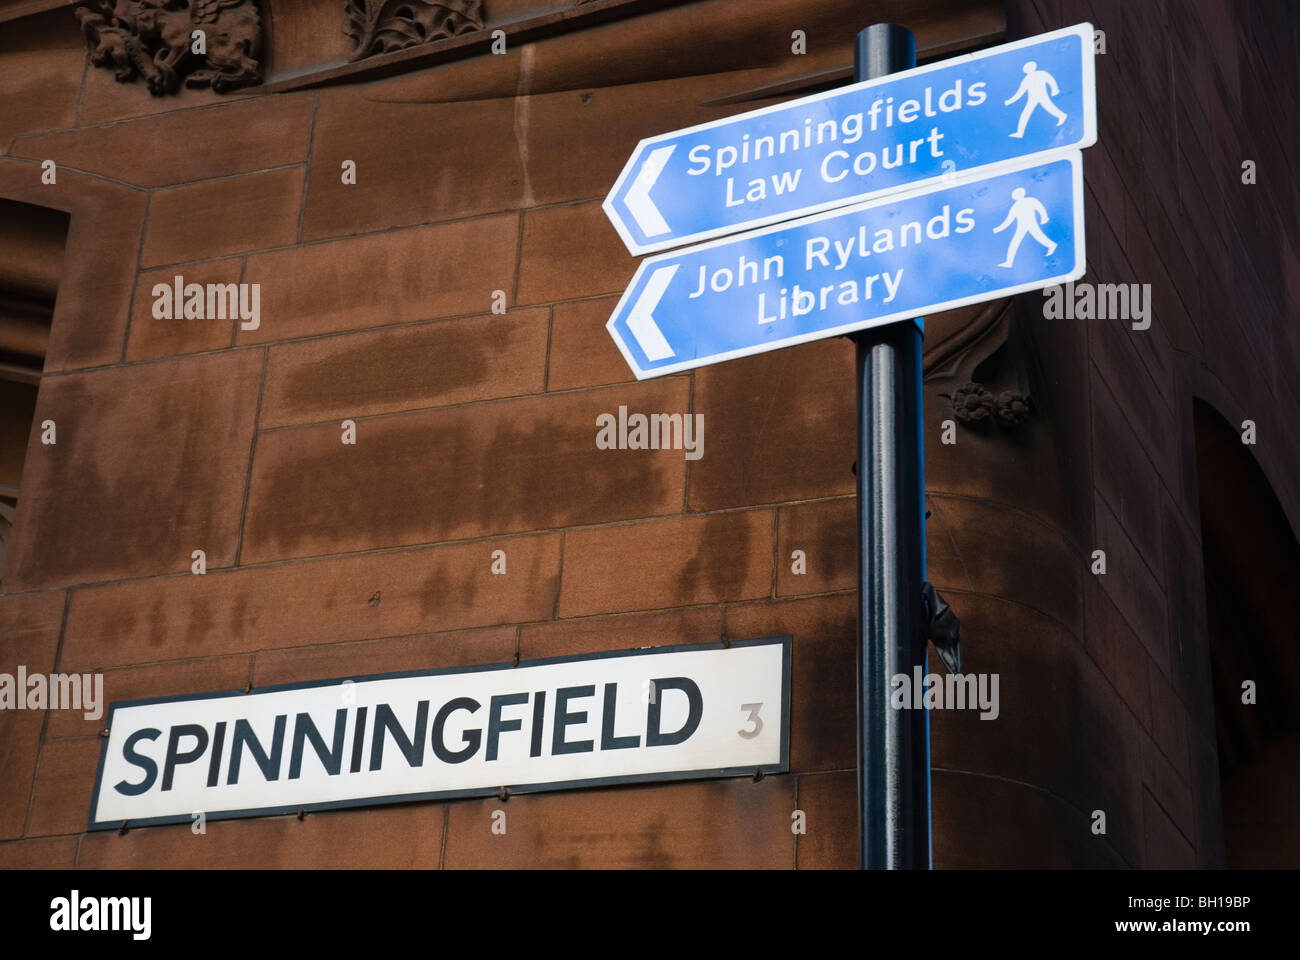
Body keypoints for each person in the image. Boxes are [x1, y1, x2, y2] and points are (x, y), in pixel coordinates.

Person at [993, 187, 1057, 268]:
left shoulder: (1030, 200)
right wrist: (998, 229)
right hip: (1023, 226)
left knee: (1019, 241)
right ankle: (1009, 262)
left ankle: (1009, 262)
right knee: (1035, 237)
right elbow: (1009, 220)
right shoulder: (1016, 206)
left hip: (1030, 224)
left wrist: (1044, 217)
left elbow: (1040, 208)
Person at [1005, 60, 1068, 138]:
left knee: (1049, 108)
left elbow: (1050, 80)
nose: (1027, 70)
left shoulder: (1041, 73)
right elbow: (1020, 92)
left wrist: (1055, 89)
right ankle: (1019, 133)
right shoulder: (1026, 79)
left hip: (1042, 96)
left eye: (1028, 68)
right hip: (1032, 99)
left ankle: (1062, 115)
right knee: (1026, 113)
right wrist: (1009, 101)